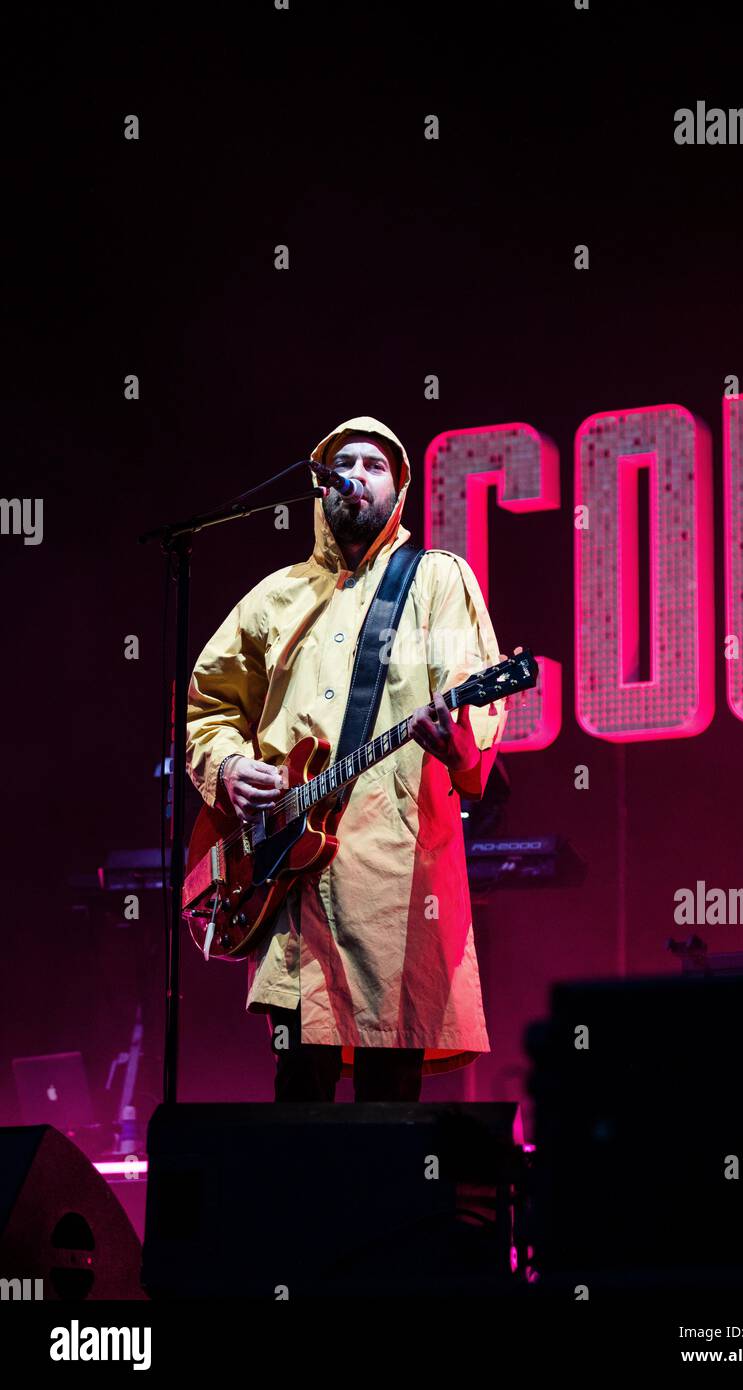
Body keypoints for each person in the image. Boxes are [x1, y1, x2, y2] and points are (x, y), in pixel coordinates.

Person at [186, 415, 507, 1101]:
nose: (354, 477)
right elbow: (208, 709)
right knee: (296, 1098)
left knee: (389, 1114)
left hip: (396, 887)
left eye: (373, 466)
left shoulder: (436, 580)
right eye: (342, 465)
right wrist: (230, 767)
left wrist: (459, 739)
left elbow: (474, 689)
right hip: (288, 885)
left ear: (399, 488)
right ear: (319, 486)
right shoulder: (274, 599)